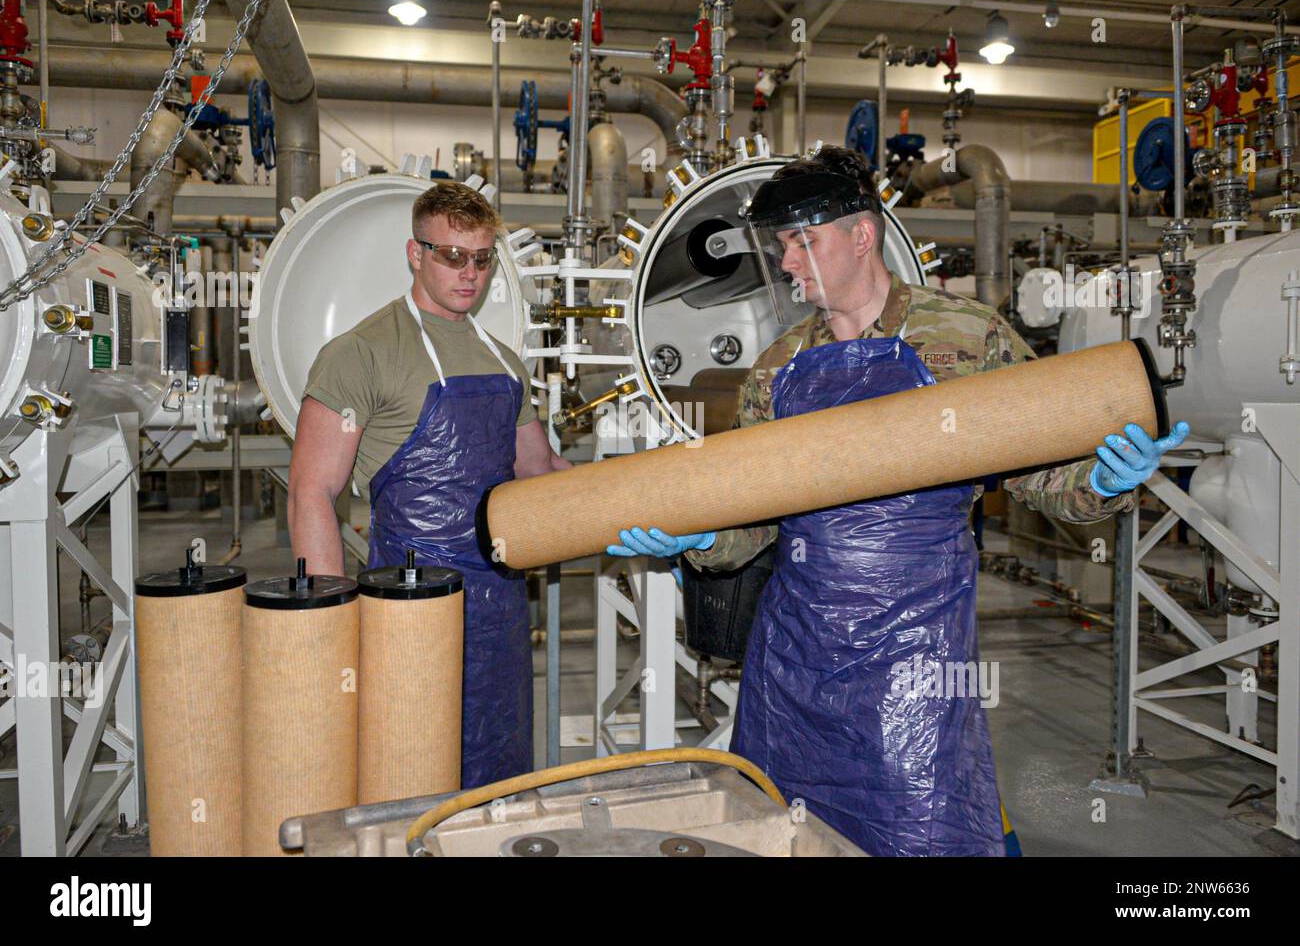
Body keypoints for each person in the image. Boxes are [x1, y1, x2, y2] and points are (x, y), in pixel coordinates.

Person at [609, 145, 1188, 855]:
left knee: (920, 830)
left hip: (918, 651)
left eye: (803, 241)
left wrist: (1102, 481)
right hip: (799, 656)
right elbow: (751, 520)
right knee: (788, 831)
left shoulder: (967, 341)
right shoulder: (777, 367)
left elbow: (1043, 478)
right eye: (782, 244)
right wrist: (694, 539)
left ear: (862, 235)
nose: (787, 262)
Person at [290, 181, 570, 789]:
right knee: (413, 767)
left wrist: (641, 499)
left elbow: (540, 472)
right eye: (450, 256)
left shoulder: (503, 360)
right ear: (415, 254)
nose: (469, 274)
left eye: (481, 259)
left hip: (499, 609)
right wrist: (327, 619)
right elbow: (311, 490)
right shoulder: (360, 354)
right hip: (410, 604)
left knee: (498, 772)